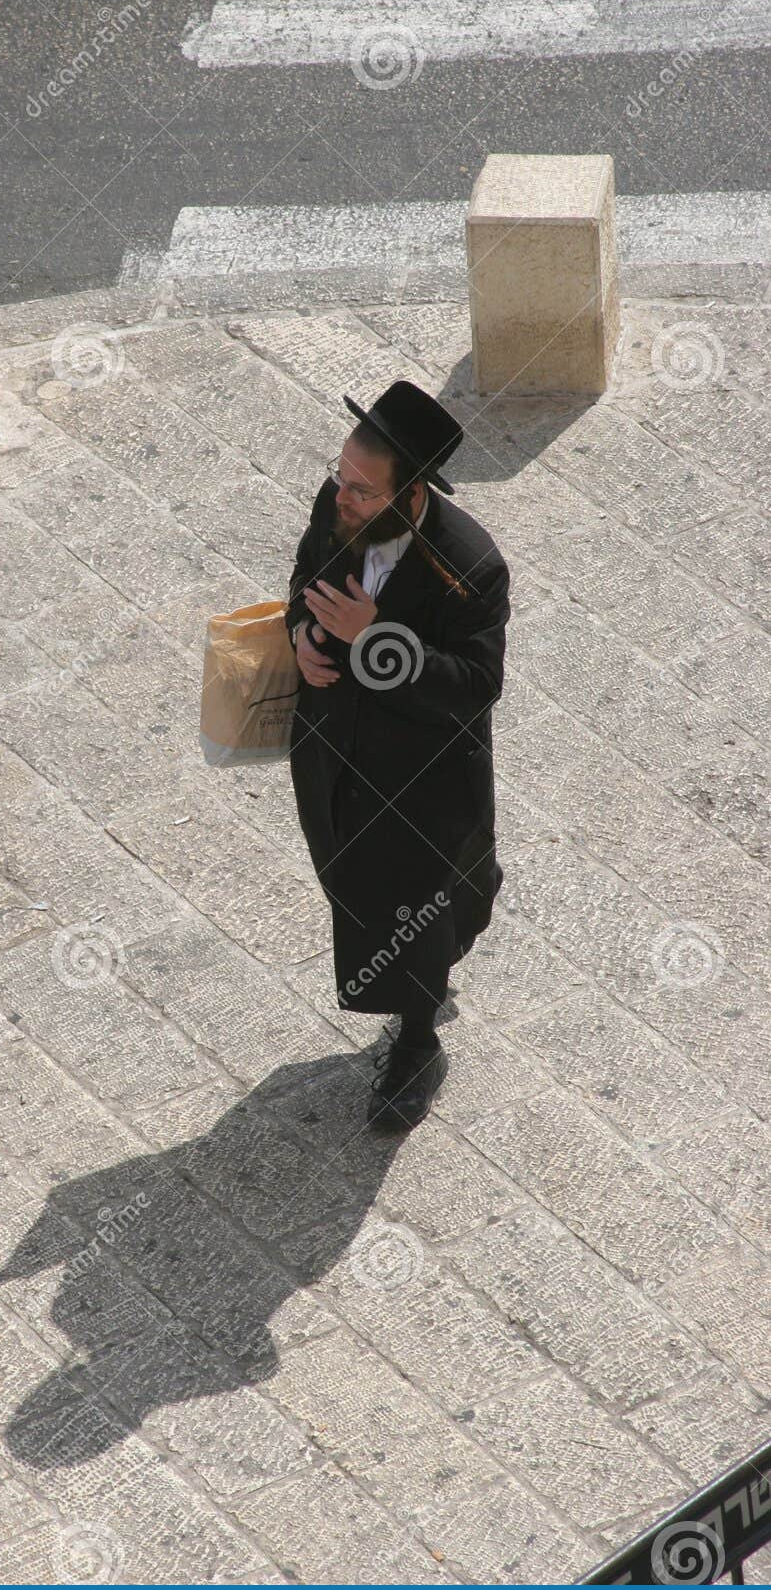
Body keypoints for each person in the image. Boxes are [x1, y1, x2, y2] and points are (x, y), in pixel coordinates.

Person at [284, 379, 510, 1136]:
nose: (340, 497)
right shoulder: (337, 506)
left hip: (419, 779)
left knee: (412, 909)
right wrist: (303, 640)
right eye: (340, 477)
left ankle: (414, 1042)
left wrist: (373, 636)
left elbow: (476, 685)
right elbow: (302, 580)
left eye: (361, 490)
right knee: (347, 879)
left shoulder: (469, 566)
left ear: (409, 493)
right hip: (333, 752)